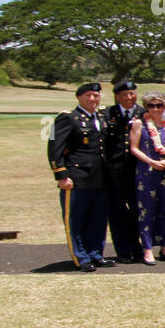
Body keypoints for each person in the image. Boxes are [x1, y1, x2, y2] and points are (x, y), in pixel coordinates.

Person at [48, 82, 113, 271]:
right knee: (76, 220)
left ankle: (96, 254)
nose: (92, 99)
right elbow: (55, 147)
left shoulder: (101, 117)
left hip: (99, 177)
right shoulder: (68, 118)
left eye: (96, 95)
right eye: (88, 96)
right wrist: (61, 175)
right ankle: (81, 258)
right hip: (77, 177)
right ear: (79, 97)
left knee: (98, 219)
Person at [128, 92, 165, 265]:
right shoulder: (139, 124)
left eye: (159, 105)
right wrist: (151, 162)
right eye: (151, 106)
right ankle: (147, 249)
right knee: (146, 210)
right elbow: (134, 148)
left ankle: (164, 246)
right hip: (146, 171)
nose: (156, 109)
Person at [101, 80, 144, 263]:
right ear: (117, 96)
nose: (129, 97)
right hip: (114, 172)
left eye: (132, 93)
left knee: (137, 211)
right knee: (117, 213)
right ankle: (123, 250)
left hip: (137, 171)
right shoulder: (106, 114)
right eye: (124, 94)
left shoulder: (143, 112)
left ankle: (138, 247)